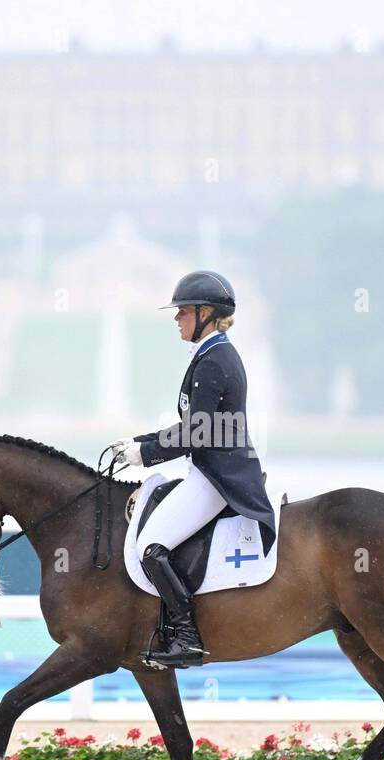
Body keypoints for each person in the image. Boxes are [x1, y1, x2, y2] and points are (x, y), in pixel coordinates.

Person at [111, 270, 276, 668]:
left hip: (219, 478)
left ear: (205, 313)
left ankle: (187, 639)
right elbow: (192, 425)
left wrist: (145, 455)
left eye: (183, 312)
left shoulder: (214, 360)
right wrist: (140, 442)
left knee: (152, 547)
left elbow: (197, 433)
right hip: (210, 470)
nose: (177, 319)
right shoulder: (210, 355)